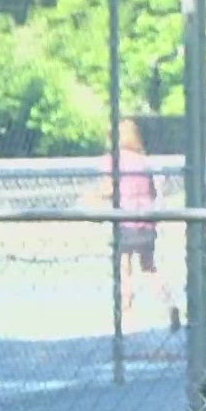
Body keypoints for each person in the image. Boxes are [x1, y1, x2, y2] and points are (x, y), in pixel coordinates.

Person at [85, 118, 178, 333]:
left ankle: (126, 314)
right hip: (146, 220)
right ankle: (169, 303)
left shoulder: (112, 161)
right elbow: (154, 191)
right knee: (149, 266)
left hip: (124, 220)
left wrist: (91, 197)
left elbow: (109, 188)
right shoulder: (144, 161)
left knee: (124, 268)